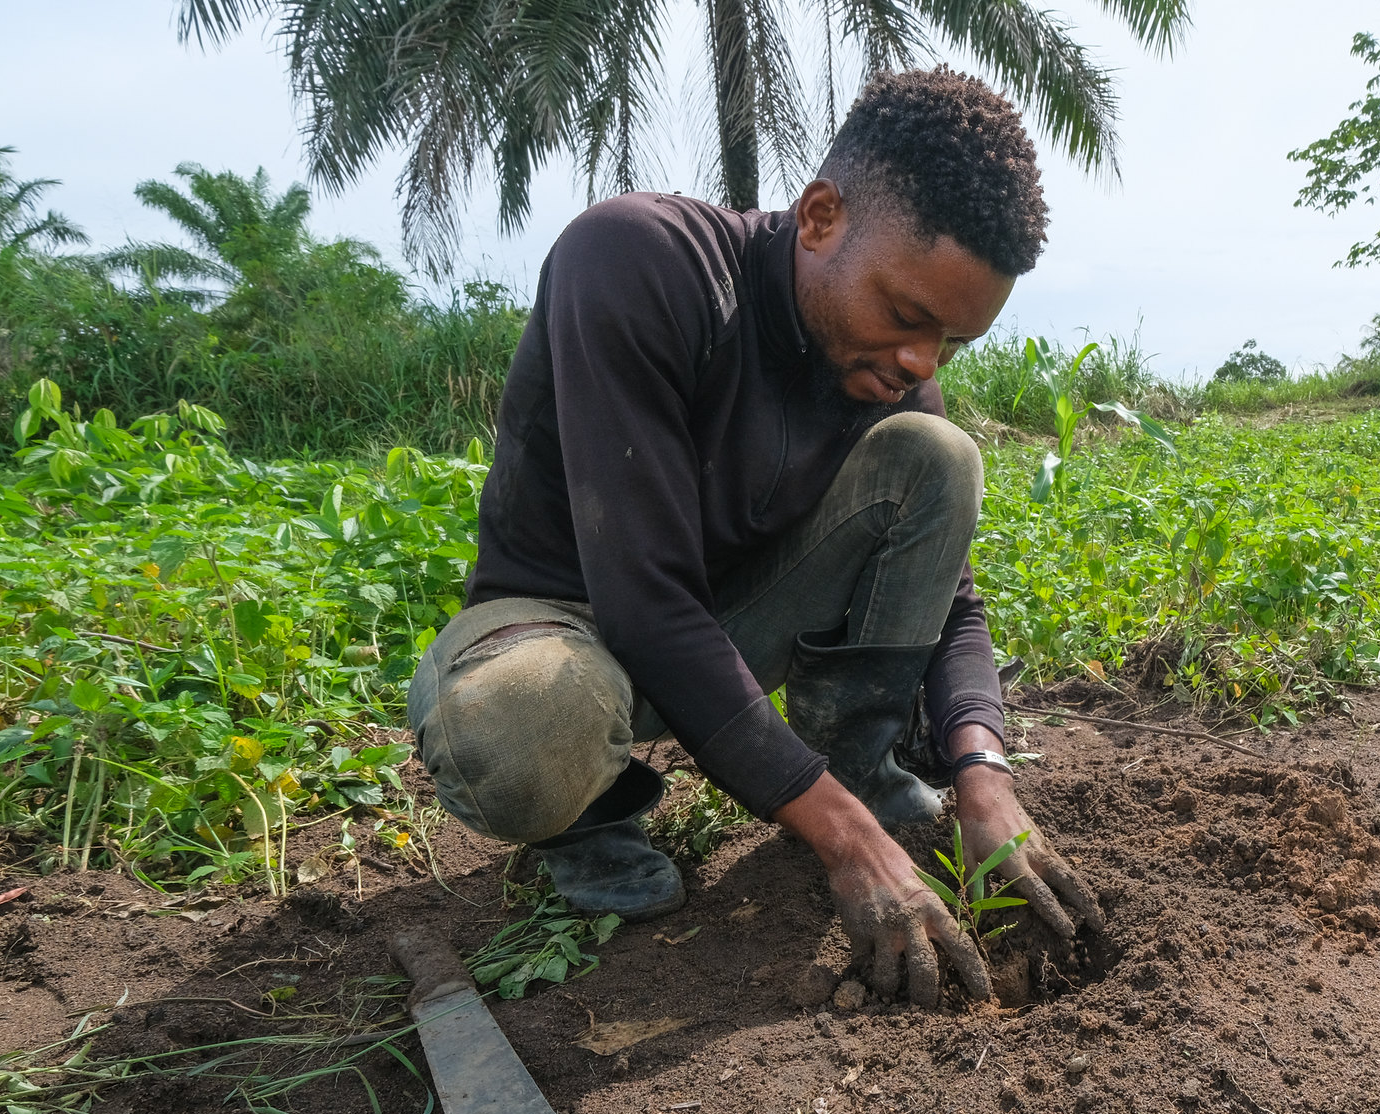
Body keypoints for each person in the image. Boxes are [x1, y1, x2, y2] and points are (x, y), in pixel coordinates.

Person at [407, 68, 1099, 1008]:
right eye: (905, 316)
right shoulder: (637, 261)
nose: (919, 361)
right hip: (561, 624)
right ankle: (589, 815)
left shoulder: (888, 376)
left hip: (716, 620)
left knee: (938, 455)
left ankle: (850, 762)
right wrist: (847, 840)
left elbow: (957, 606)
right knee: (523, 727)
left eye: (949, 342)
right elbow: (644, 599)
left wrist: (983, 772)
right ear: (820, 217)